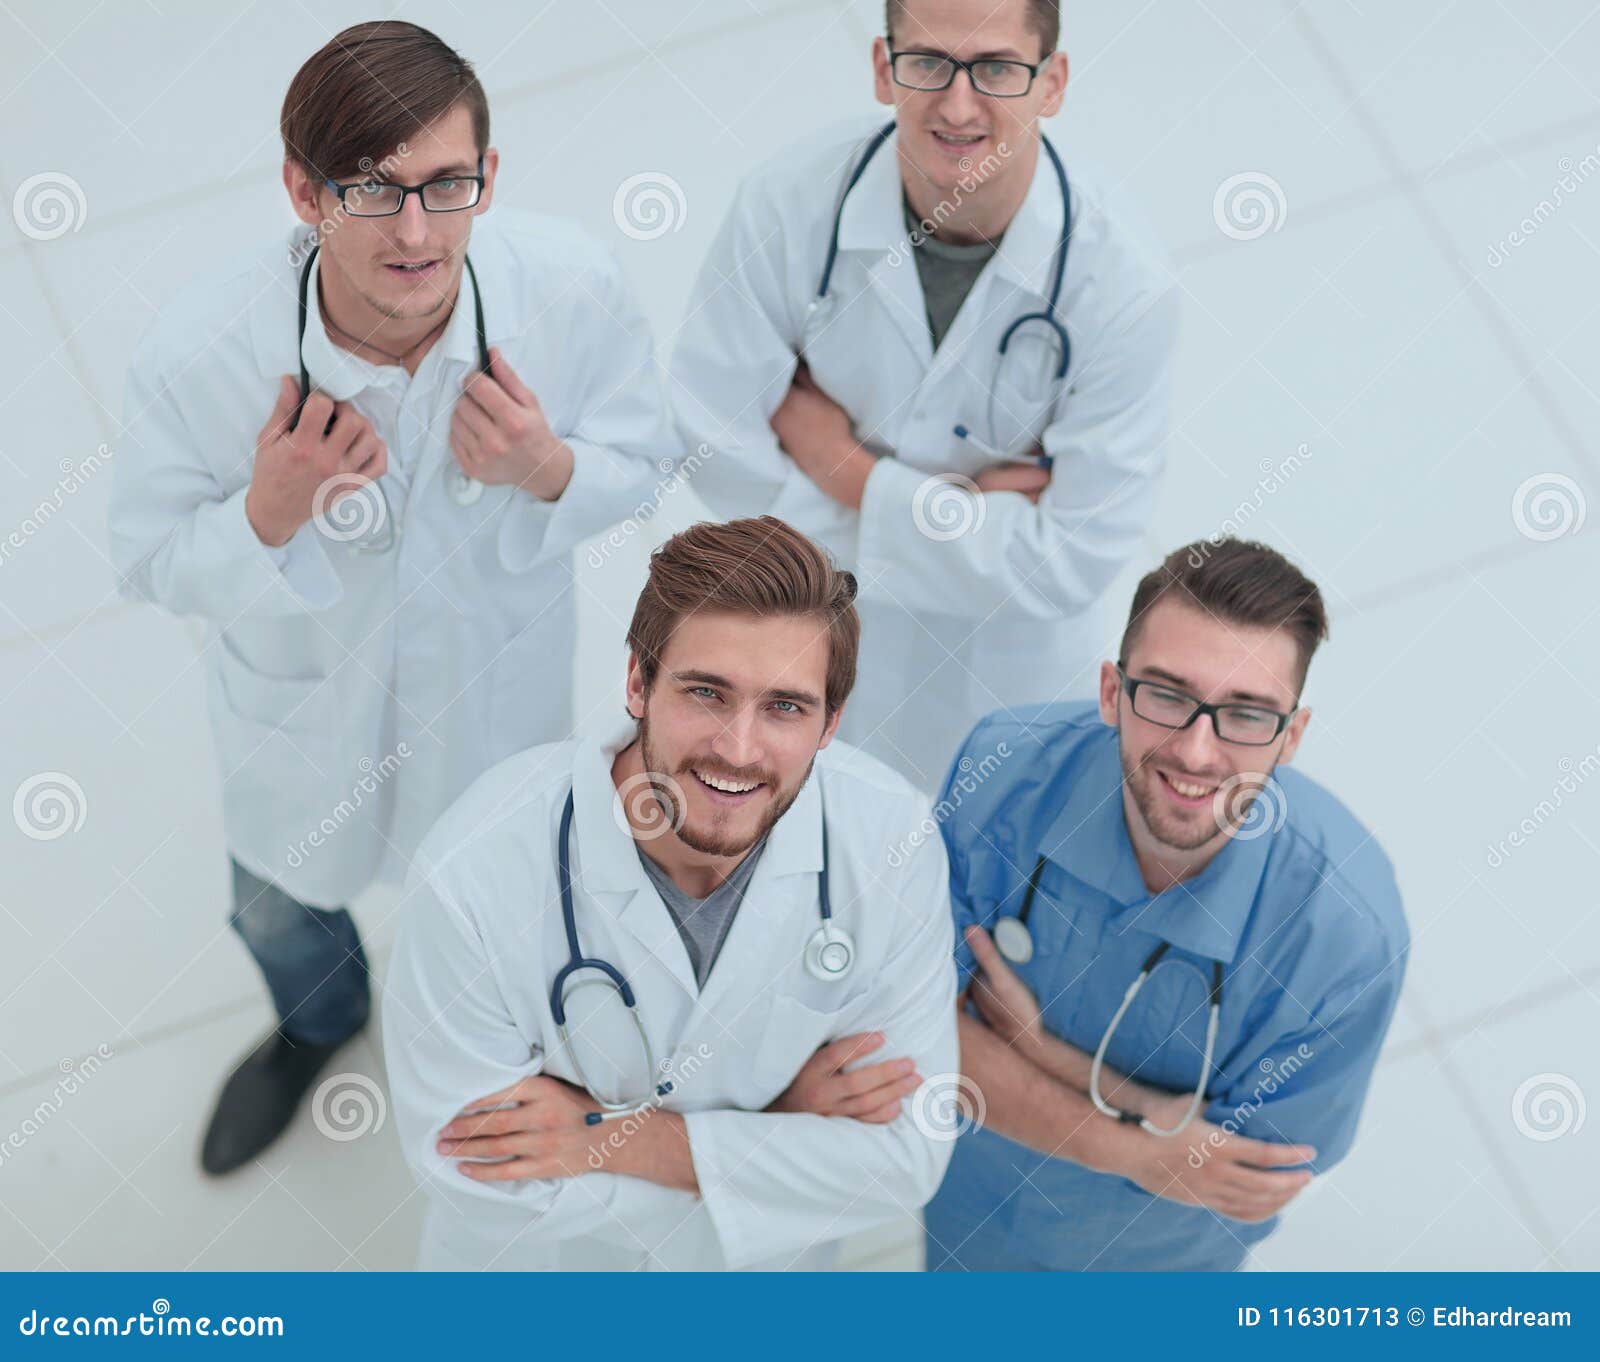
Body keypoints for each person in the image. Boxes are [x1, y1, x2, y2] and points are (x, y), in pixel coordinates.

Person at [107, 21, 676, 1175]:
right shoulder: (200, 355)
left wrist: (546, 469)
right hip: (298, 726)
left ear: (489, 179)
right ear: (302, 192)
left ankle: (493, 1041)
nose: (416, 233)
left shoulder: (568, 290)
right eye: (372, 193)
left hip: (491, 704)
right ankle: (318, 1024)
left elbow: (649, 459)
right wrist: (268, 510)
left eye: (444, 187)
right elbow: (148, 560)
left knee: (494, 898)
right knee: (277, 911)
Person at [382, 517, 959, 1271]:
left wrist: (618, 1143)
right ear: (637, 682)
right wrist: (782, 1126)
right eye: (707, 692)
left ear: (830, 724)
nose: (739, 748)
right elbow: (471, 1177)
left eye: (786, 707)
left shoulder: (892, 841)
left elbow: (907, 1159)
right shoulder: (473, 876)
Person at [671, 0, 1177, 790]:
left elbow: (1072, 559)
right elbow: (714, 444)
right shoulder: (786, 206)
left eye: (998, 69)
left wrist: (848, 474)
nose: (959, 103)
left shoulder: (1124, 283)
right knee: (813, 845)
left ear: (1053, 82)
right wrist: (966, 515)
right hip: (806, 633)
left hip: (1007, 662)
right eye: (929, 62)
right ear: (884, 69)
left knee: (982, 865)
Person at [925, 537, 1409, 1270]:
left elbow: (1252, 1176)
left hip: (1156, 1260)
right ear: (1112, 693)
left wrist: (1037, 1054)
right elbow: (904, 1026)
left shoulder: (1344, 934)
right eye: (1168, 696)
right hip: (973, 1197)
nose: (1197, 752)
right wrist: (1147, 1145)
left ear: (1292, 737)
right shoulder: (1003, 776)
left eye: (1247, 714)